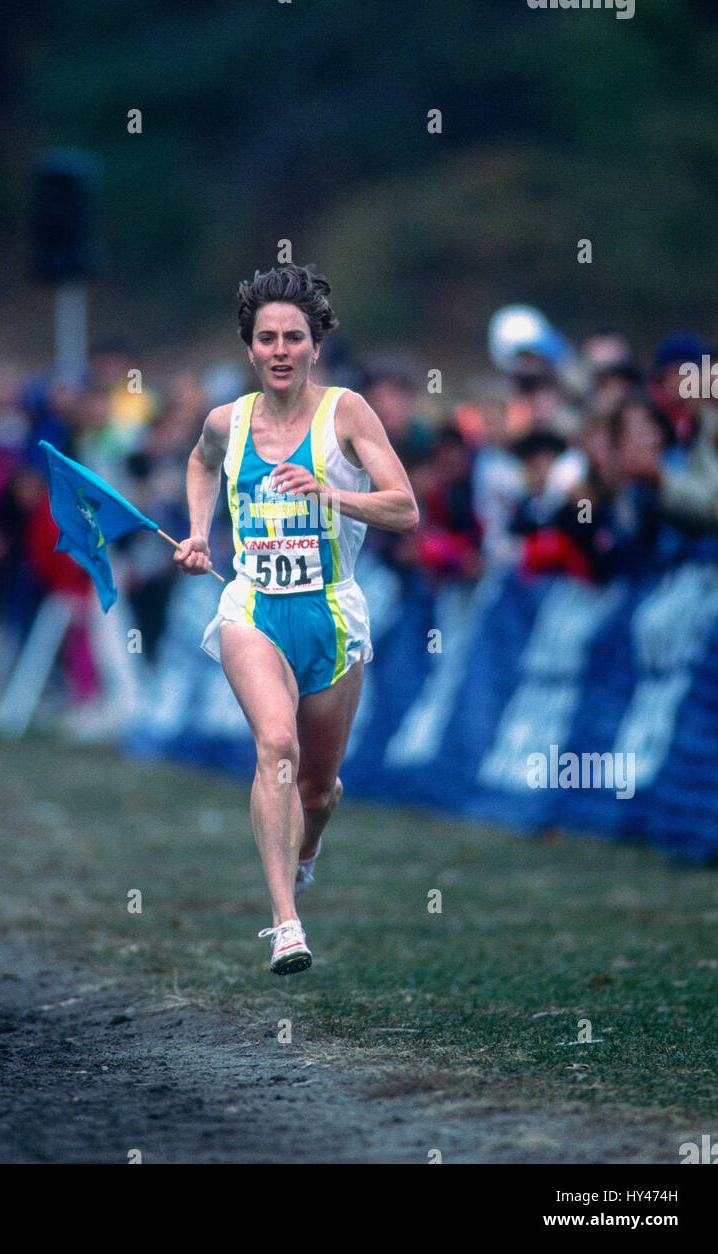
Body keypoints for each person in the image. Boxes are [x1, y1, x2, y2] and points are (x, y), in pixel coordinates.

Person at [173, 265, 419, 974]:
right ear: (249, 349)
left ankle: (307, 848)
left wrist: (329, 494)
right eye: (266, 338)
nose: (280, 350)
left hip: (332, 616)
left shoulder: (348, 414)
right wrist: (198, 534)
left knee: (317, 787)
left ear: (316, 345)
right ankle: (285, 922)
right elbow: (200, 462)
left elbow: (405, 509)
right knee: (274, 746)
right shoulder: (228, 421)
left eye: (294, 338)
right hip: (253, 608)